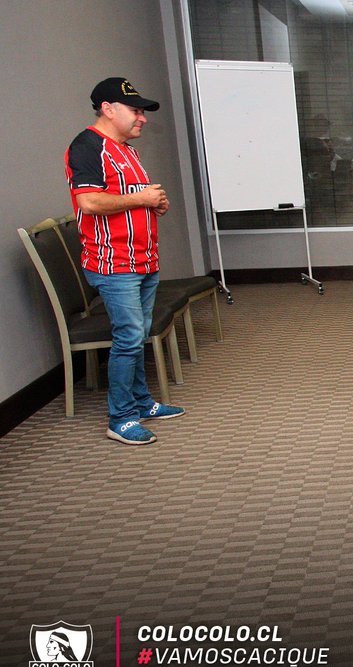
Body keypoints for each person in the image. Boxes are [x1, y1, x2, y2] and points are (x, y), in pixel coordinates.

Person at [65, 77, 184, 445]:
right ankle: (120, 418)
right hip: (114, 264)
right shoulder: (87, 146)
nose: (142, 119)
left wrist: (155, 203)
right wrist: (143, 200)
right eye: (135, 111)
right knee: (129, 338)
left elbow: (130, 198)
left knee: (138, 335)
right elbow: (89, 202)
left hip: (143, 260)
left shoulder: (125, 149)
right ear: (108, 108)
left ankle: (142, 402)